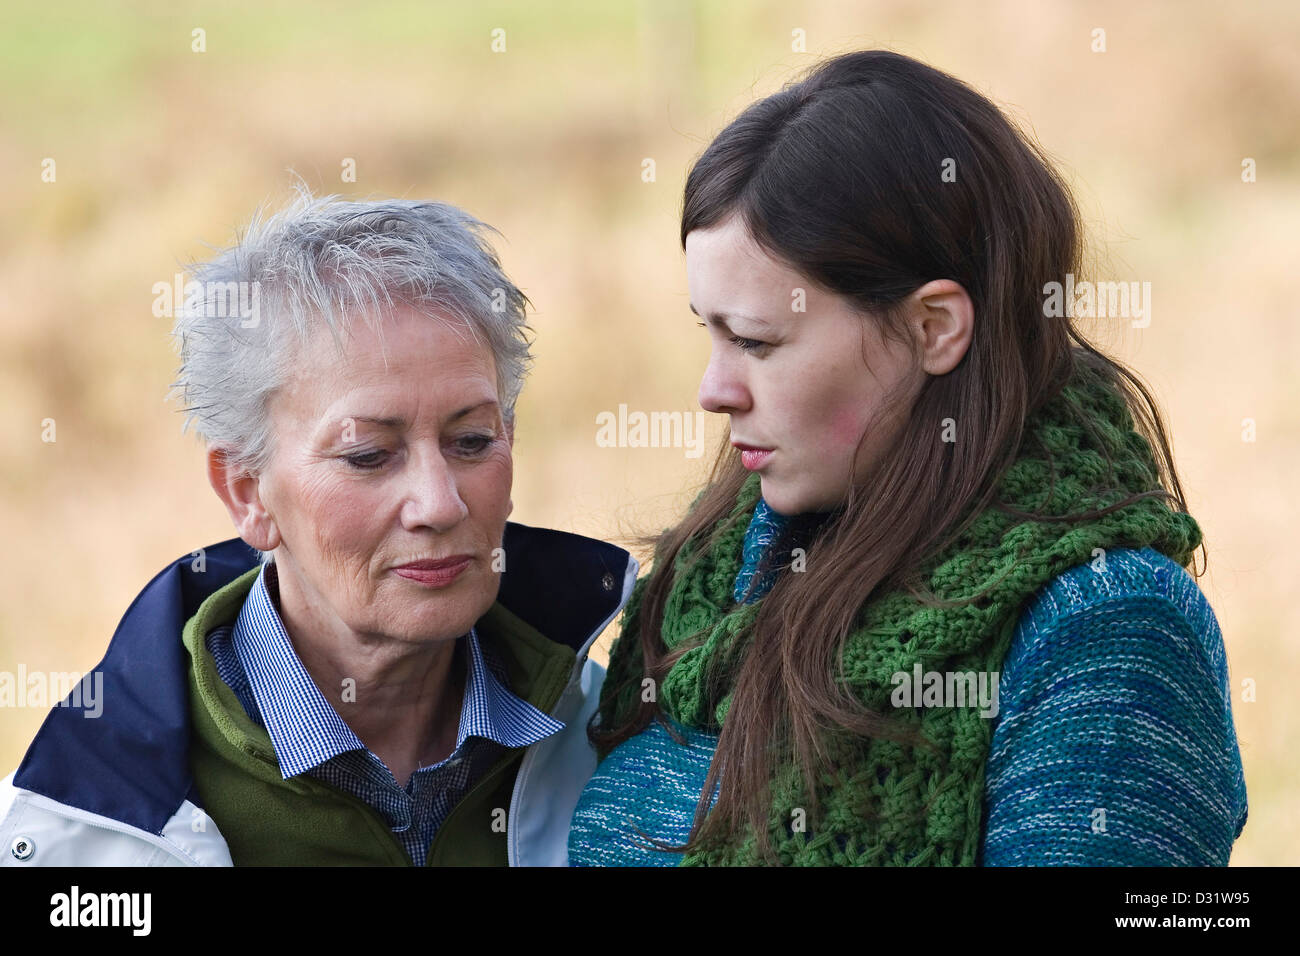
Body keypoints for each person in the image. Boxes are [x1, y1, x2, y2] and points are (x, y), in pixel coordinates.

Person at [568, 50, 1248, 866]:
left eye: (756, 341)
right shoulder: (702, 585)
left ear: (933, 328)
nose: (713, 391)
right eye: (708, 332)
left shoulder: (1105, 632)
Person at [0, 188, 637, 866]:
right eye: (368, 455)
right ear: (248, 493)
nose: (440, 503)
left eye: (472, 440)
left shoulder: (622, 748)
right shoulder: (86, 840)